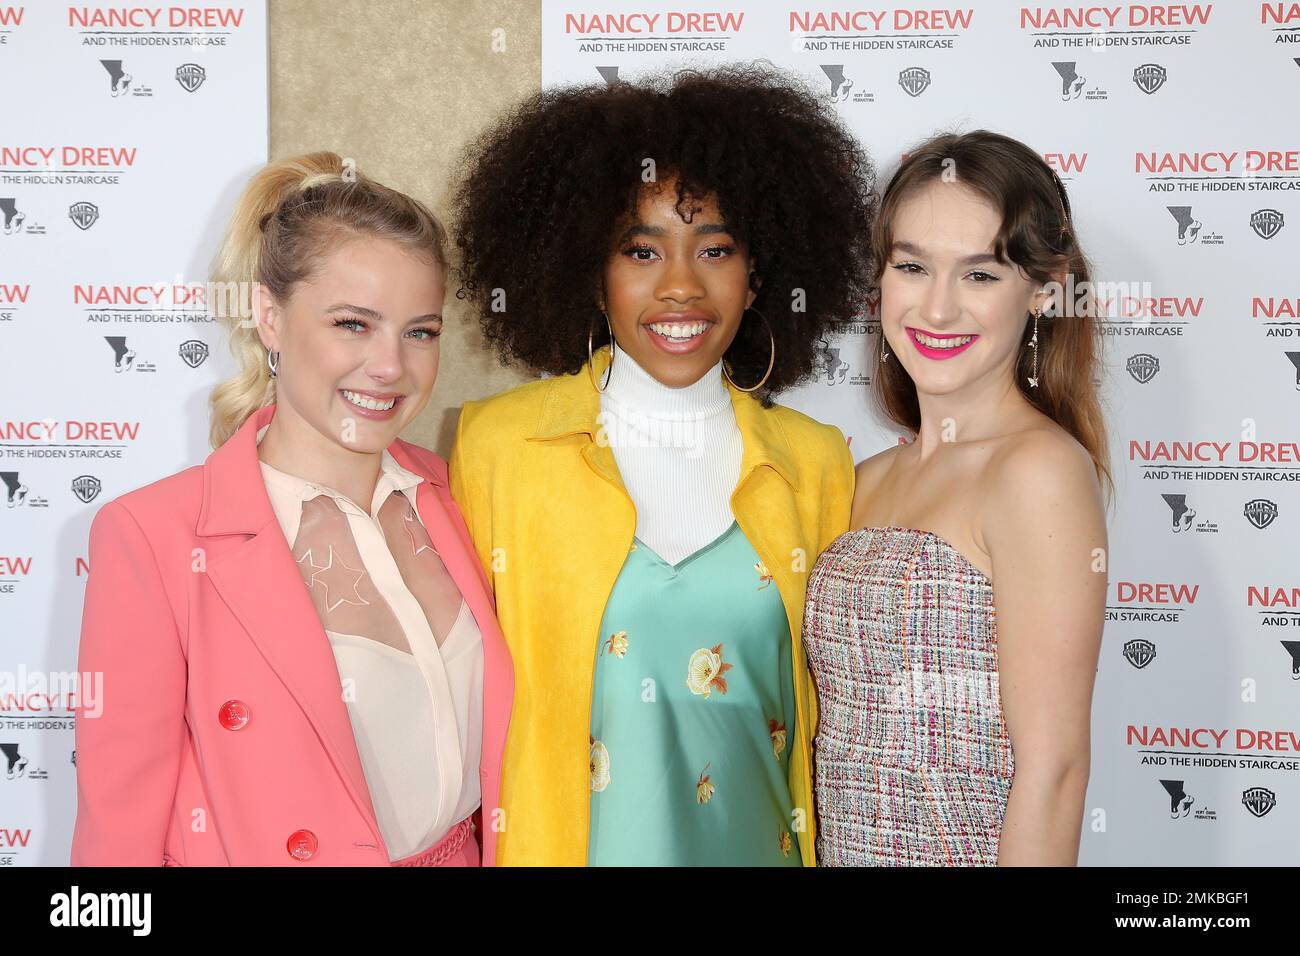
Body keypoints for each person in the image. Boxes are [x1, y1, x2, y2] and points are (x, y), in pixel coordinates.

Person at [449, 65, 875, 865]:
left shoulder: (817, 465)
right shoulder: (497, 448)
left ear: (760, 277)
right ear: (589, 271)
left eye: (715, 248)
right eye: (641, 251)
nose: (681, 287)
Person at [71, 152, 512, 866]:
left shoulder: (452, 493)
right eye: (352, 324)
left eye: (419, 331)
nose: (390, 367)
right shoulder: (151, 538)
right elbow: (116, 842)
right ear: (269, 318)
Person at [803, 130, 1109, 866]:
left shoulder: (1038, 473)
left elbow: (1055, 771)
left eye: (979, 275)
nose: (936, 310)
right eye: (912, 266)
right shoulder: (863, 478)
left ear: (1042, 290)